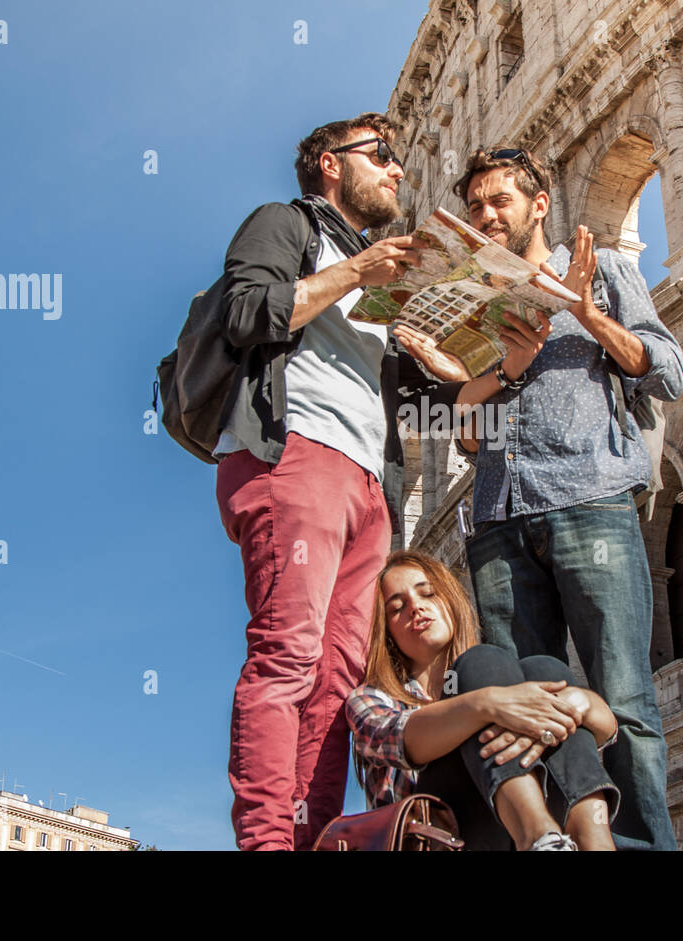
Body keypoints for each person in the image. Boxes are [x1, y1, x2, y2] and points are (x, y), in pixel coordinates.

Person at [424, 147, 683, 850]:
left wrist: (586, 314)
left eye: (498, 201)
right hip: (497, 520)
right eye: (476, 206)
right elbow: (474, 442)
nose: (486, 215)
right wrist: (474, 373)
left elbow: (669, 372)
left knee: (624, 697)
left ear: (539, 204)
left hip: (590, 499)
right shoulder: (474, 300)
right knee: (517, 703)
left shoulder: (603, 272)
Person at [211, 113, 463, 850]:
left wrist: (479, 365)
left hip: (369, 487)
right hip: (297, 457)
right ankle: (265, 843)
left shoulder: (382, 279)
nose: (395, 169)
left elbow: (437, 409)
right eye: (379, 155)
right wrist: (355, 271)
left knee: (339, 687)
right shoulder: (287, 226)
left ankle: (316, 837)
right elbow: (246, 312)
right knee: (287, 656)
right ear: (329, 163)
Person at [347, 550, 622, 850]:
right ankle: (538, 836)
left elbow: (606, 730)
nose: (416, 608)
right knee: (481, 663)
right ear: (386, 632)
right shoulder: (369, 698)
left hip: (500, 832)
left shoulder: (506, 681)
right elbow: (398, 739)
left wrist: (580, 702)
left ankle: (591, 842)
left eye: (428, 594)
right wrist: (485, 704)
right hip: (440, 835)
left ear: (451, 600)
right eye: (397, 608)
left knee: (545, 670)